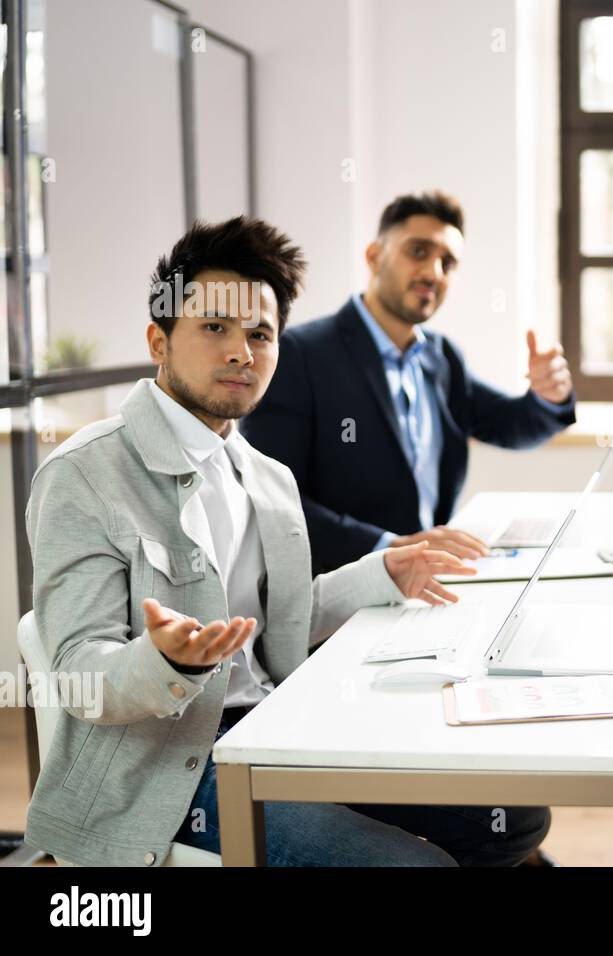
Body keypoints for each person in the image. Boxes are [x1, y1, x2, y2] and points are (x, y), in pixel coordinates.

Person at [24, 216, 550, 866]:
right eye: (215, 327)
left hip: (275, 725)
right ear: (159, 338)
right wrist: (165, 663)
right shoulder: (85, 474)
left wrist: (383, 572)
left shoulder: (267, 478)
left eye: (260, 333)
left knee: (513, 820)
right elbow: (76, 670)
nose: (242, 351)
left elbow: (279, 621)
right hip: (171, 768)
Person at [242, 190, 576, 575]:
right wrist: (390, 548)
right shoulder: (300, 354)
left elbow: (511, 425)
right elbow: (272, 501)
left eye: (447, 262)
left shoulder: (442, 356)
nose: (434, 272)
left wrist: (550, 396)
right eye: (418, 251)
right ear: (374, 257)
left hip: (425, 583)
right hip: (339, 594)